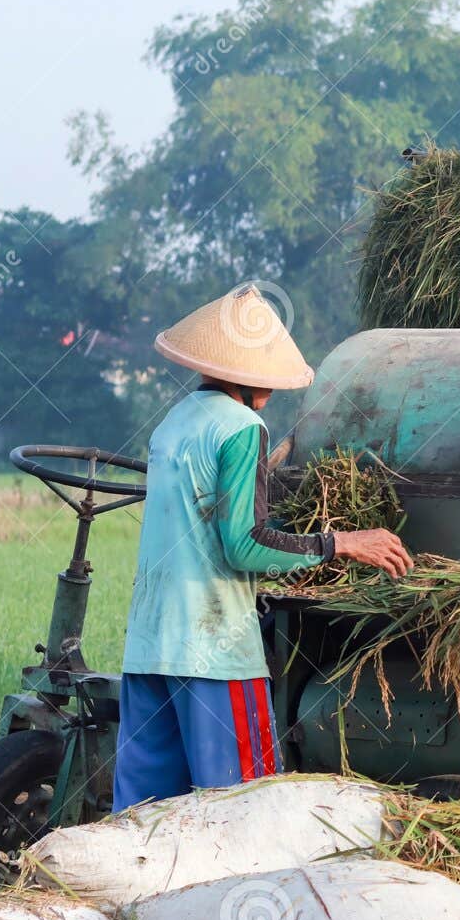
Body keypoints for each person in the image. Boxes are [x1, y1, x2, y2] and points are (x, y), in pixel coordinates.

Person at [112, 283, 413, 810]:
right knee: (239, 810)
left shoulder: (172, 423)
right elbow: (246, 546)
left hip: (149, 650)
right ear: (246, 377)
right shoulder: (242, 427)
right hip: (214, 653)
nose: (271, 390)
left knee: (143, 817)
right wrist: (340, 543)